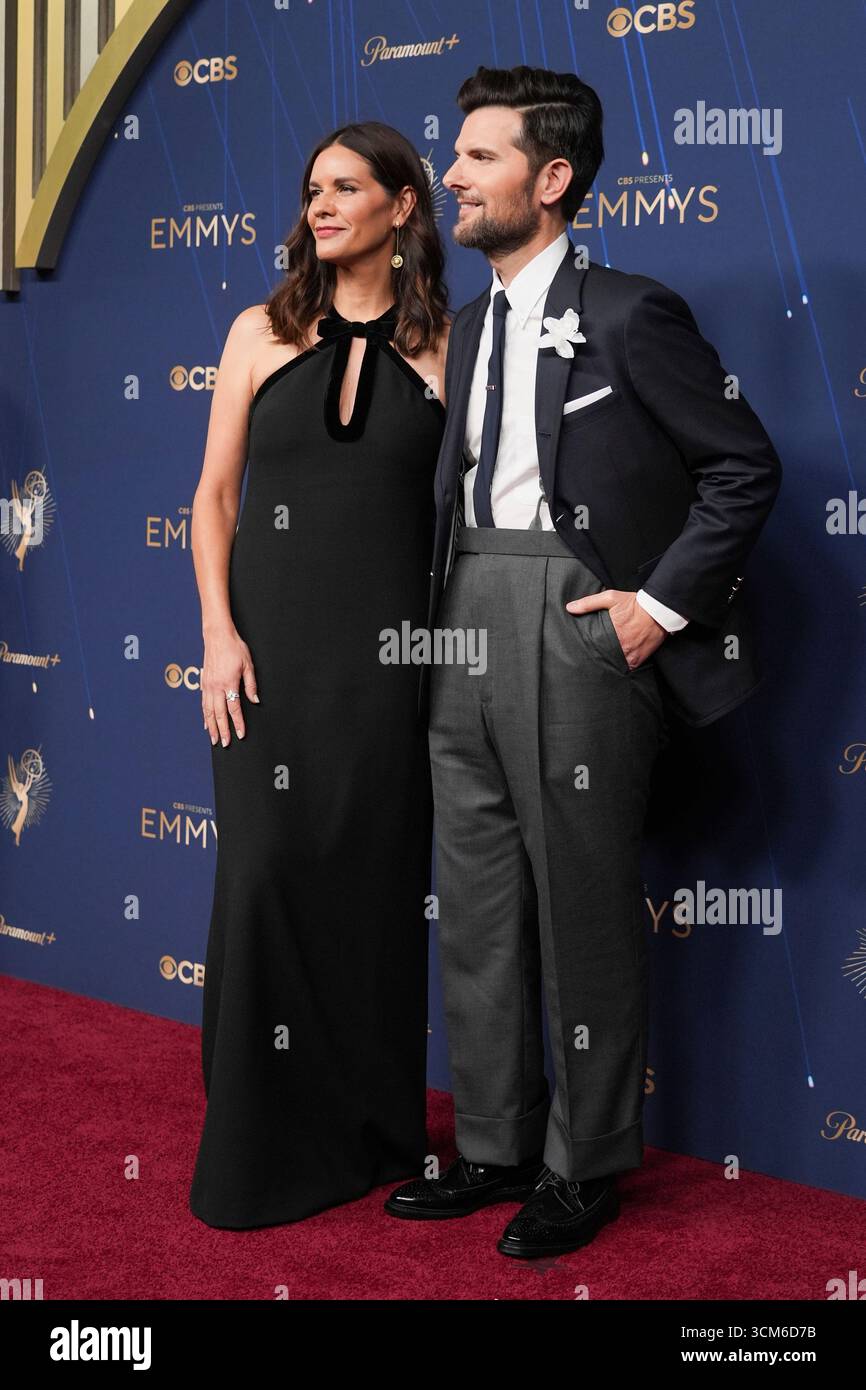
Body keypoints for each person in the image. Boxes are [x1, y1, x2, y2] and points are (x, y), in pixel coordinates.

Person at [385, 65, 782, 1257]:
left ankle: (584, 1160)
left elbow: (741, 466)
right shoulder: (463, 326)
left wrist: (656, 605)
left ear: (550, 180)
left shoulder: (627, 311)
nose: (449, 174)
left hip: (576, 615)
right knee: (480, 901)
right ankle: (497, 1141)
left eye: (479, 157)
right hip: (463, 612)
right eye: (452, 155)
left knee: (584, 907)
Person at [188, 121, 449, 1228]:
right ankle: (257, 1150)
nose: (321, 206)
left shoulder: (450, 346)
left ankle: (372, 1134)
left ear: (401, 204)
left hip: (390, 669)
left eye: (346, 187)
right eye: (310, 190)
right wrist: (217, 633)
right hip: (266, 658)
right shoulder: (259, 330)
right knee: (261, 880)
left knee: (374, 895)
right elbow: (213, 498)